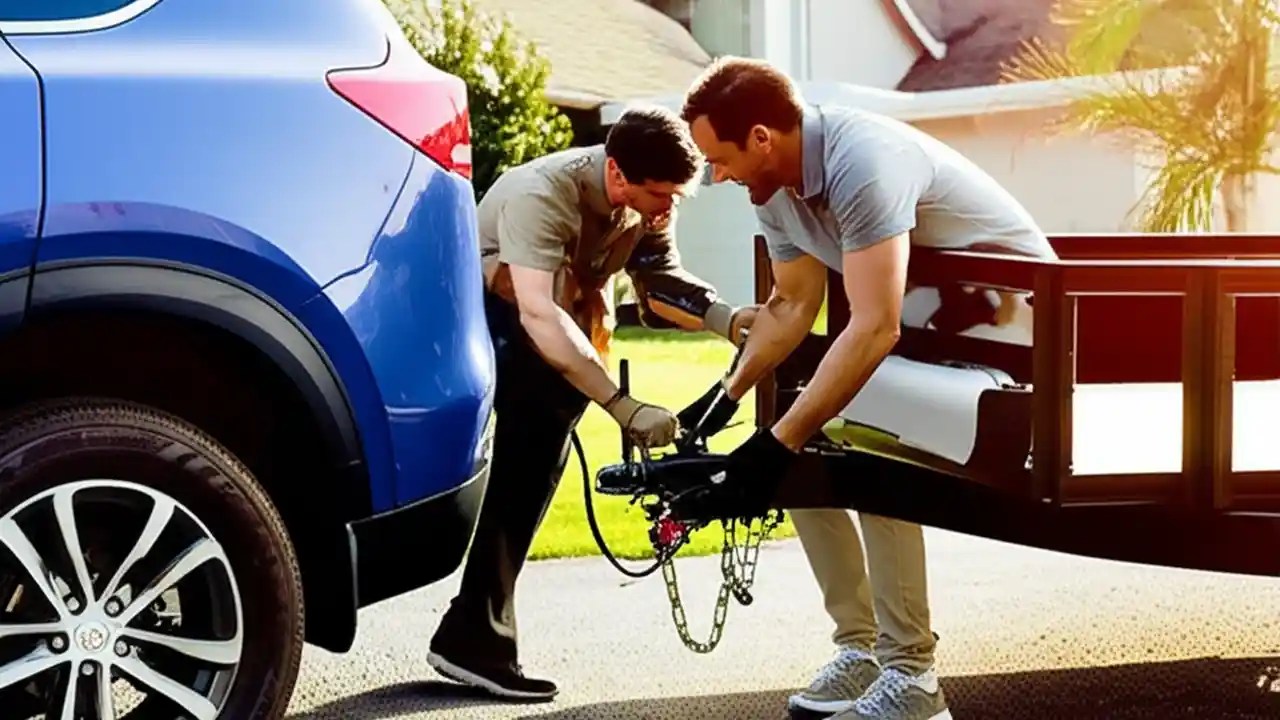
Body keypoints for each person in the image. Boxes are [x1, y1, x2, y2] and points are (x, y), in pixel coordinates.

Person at [675, 56, 1057, 720]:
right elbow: (792, 306)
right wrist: (728, 396)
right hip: (936, 340)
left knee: (866, 434)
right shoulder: (776, 191)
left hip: (1017, 344)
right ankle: (862, 652)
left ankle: (913, 677)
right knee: (800, 439)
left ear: (763, 137)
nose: (717, 175)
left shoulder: (863, 162)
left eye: (722, 158)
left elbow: (874, 327)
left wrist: (775, 443)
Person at [426, 105, 757, 701]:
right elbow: (537, 311)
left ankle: (475, 630)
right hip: (477, 319)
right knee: (533, 439)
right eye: (661, 194)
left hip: (553, 320)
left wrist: (729, 321)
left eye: (678, 196)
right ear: (618, 174)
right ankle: (474, 632)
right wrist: (622, 406)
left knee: (534, 462)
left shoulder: (648, 203)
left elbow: (658, 281)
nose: (669, 208)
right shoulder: (542, 194)